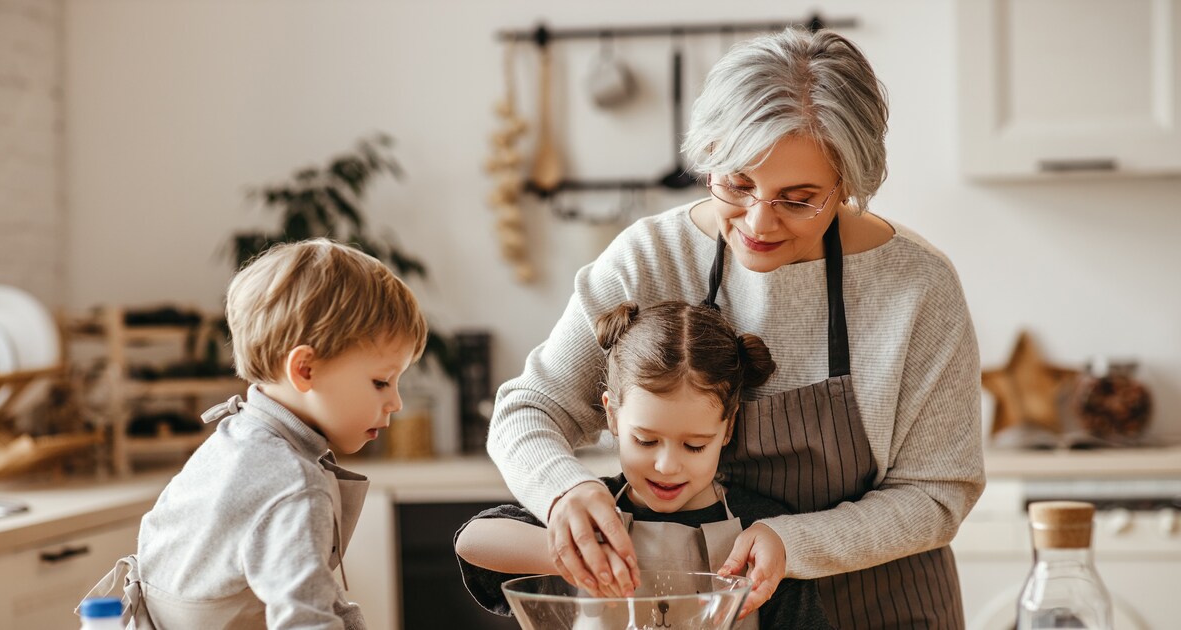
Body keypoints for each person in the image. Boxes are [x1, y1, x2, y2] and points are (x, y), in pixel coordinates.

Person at [486, 27, 984, 629]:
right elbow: (529, 410)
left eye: (797, 199)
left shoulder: (917, 286)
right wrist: (563, 489)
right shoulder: (648, 258)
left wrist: (793, 540)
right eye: (737, 184)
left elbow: (938, 494)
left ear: (847, 185)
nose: (758, 222)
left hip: (882, 609)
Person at [80, 238, 427, 629]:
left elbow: (323, 600)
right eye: (381, 382)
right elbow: (307, 622)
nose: (395, 402)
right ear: (305, 370)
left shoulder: (235, 438)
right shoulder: (292, 483)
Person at [456, 301, 834, 629]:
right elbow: (473, 541)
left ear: (728, 426)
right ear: (613, 417)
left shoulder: (759, 532)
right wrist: (579, 555)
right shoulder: (594, 509)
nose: (667, 465)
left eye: (694, 445)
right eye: (646, 441)